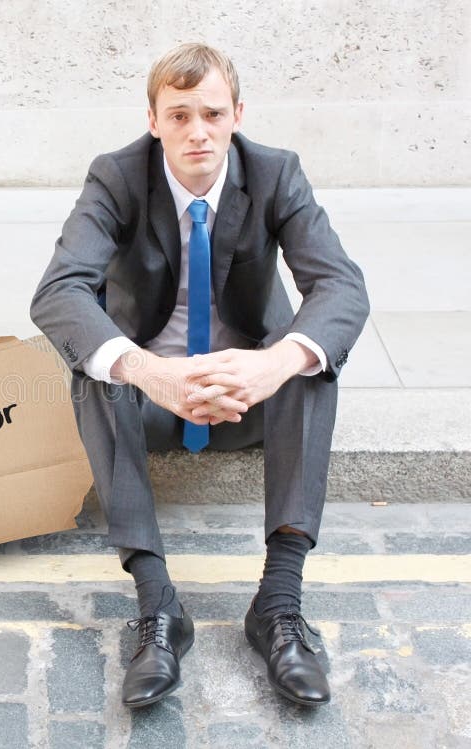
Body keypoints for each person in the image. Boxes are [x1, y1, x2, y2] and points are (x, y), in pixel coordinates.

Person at [30, 42, 369, 708]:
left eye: (211, 113)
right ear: (153, 119)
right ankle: (159, 609)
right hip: (153, 399)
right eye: (178, 114)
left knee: (313, 360)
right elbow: (58, 291)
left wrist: (272, 364)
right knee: (98, 368)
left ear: (237, 113)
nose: (197, 131)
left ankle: (277, 605)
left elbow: (342, 287)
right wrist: (151, 371)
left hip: (249, 394)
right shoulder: (118, 177)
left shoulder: (275, 175)